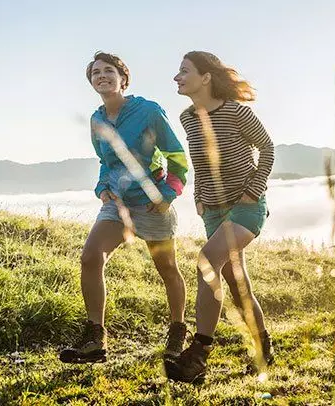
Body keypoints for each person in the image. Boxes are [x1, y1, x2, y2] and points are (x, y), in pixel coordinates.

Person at [59, 52, 189, 364]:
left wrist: (168, 194)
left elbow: (176, 156)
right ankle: (95, 338)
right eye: (95, 73)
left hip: (152, 203)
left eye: (108, 71)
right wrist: (103, 189)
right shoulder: (97, 120)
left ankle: (177, 331)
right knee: (90, 257)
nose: (101, 76)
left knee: (167, 269)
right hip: (117, 205)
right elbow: (106, 161)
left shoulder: (148, 111)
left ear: (123, 78)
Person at [165, 51, 275, 383]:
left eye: (184, 71)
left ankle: (198, 354)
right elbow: (201, 161)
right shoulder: (187, 118)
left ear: (206, 77)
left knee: (207, 262)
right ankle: (263, 349)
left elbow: (267, 148)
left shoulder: (236, 112)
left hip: (245, 206)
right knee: (237, 285)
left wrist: (254, 190)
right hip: (212, 210)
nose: (176, 77)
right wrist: (199, 197)